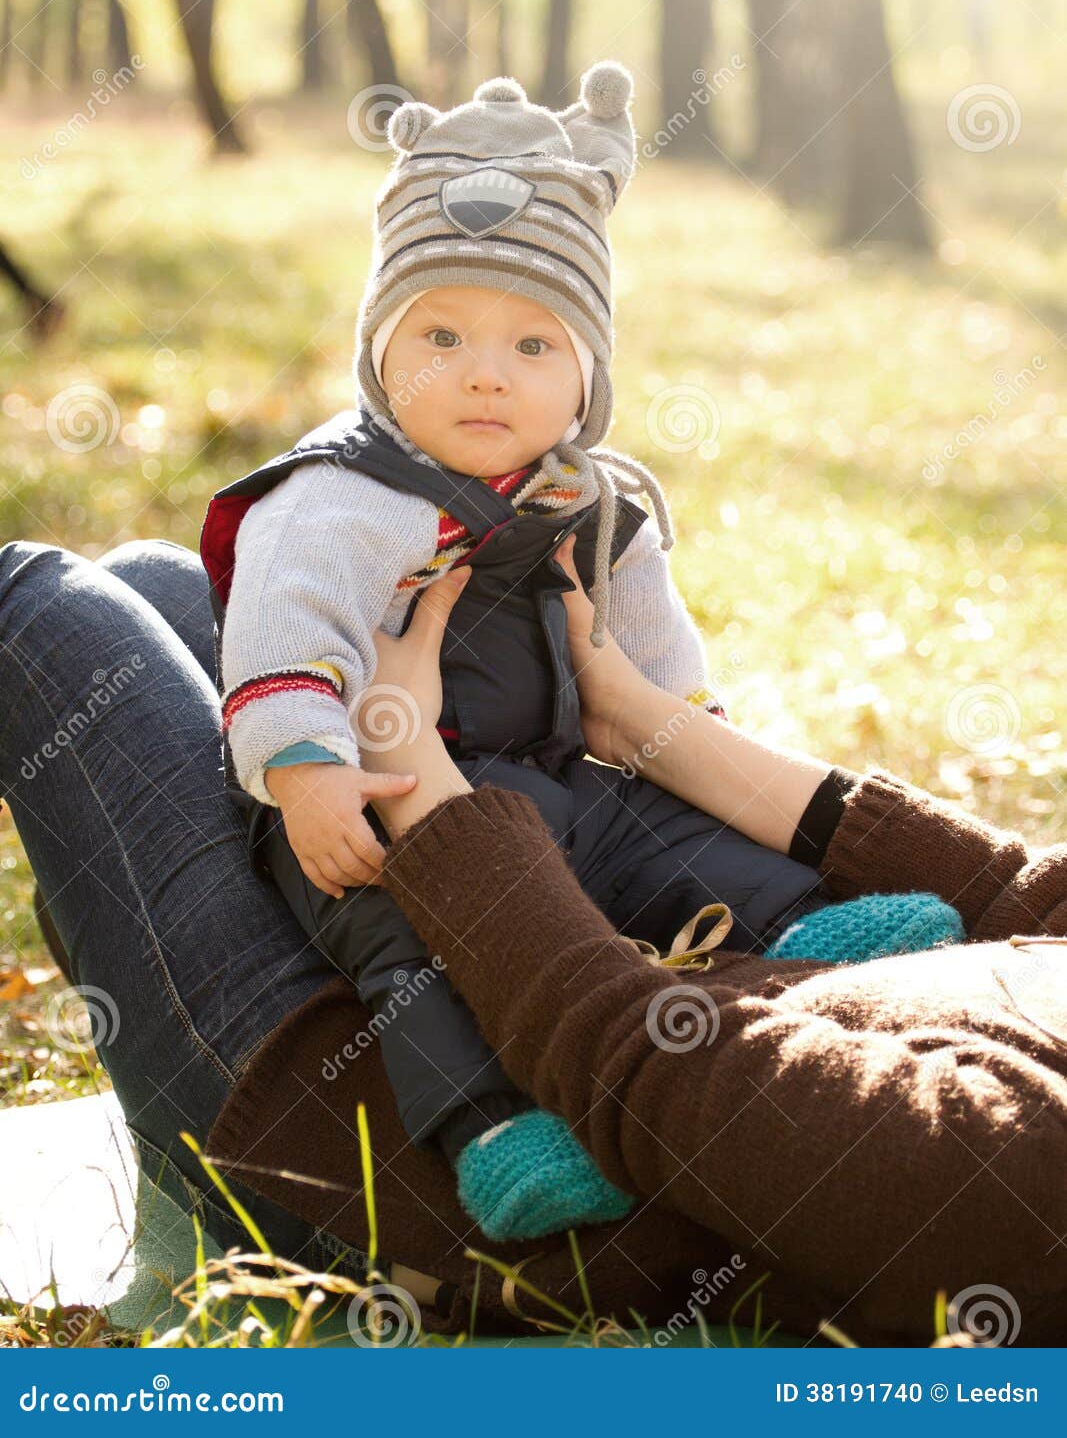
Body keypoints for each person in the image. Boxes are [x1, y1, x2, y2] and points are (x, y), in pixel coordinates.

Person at [203, 62, 959, 1241]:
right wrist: (305, 775)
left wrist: (682, 724)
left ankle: (796, 928)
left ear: (586, 377)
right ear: (377, 355)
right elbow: (279, 630)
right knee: (416, 944)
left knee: (660, 832)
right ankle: (495, 1125)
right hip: (377, 794)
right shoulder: (343, 497)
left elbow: (650, 649)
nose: (485, 370)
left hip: (558, 775)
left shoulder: (592, 499)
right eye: (439, 334)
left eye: (533, 344)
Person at [3, 536, 1064, 1343]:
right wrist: (640, 719)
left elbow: (628, 1058)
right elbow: (1018, 890)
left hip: (361, 1130)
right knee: (175, 585)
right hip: (514, 970)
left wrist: (410, 758)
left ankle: (209, 1165)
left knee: (35, 610)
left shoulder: (1017, 1185)